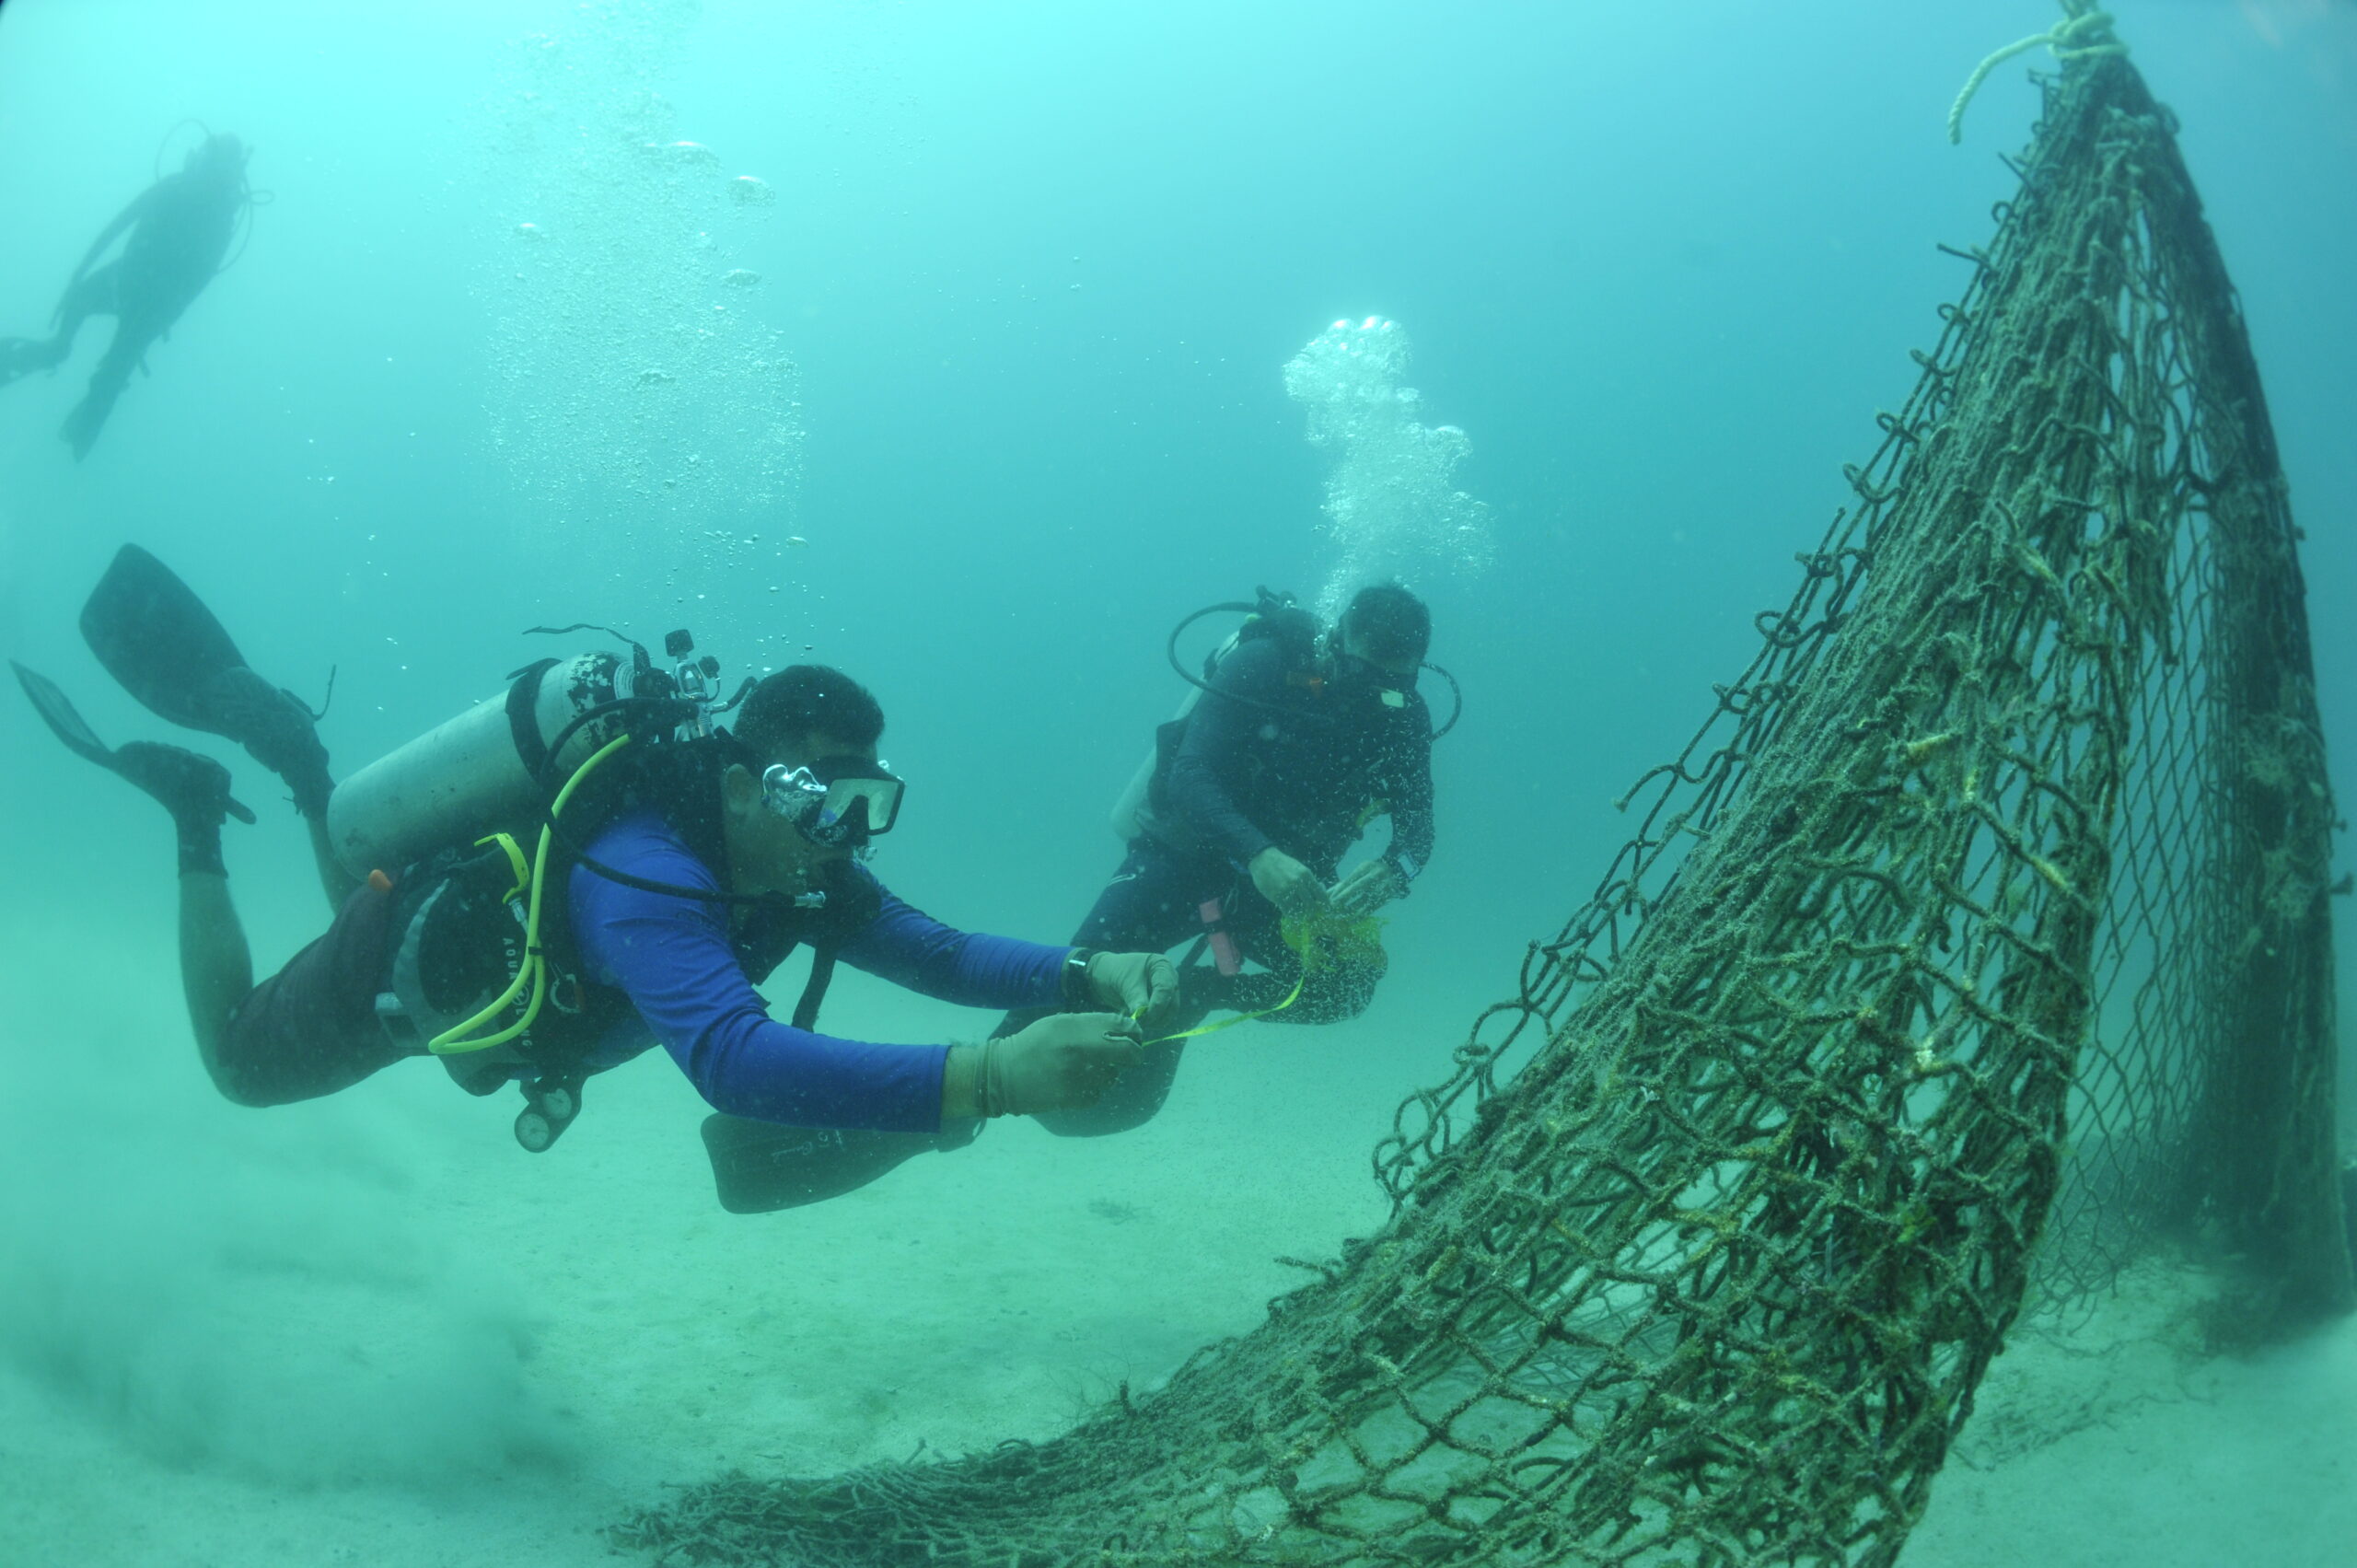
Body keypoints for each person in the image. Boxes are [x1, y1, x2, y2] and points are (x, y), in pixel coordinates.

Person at [14, 545, 1176, 1212]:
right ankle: (195, 818)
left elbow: (944, 952)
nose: (846, 833)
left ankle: (296, 755)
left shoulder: (796, 867)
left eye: (868, 803)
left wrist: (1089, 966)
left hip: (492, 953)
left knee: (360, 869)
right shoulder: (645, 875)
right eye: (826, 798)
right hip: (418, 968)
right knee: (238, 1066)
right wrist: (994, 1077)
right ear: (741, 779)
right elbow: (736, 1059)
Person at [997, 581, 1439, 1137]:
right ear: (1338, 643)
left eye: (1399, 682)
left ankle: (1201, 992)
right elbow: (1190, 773)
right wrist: (1258, 852)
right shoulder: (1265, 664)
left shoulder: (1405, 717)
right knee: (1066, 984)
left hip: (1282, 891)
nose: (1380, 695)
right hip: (1179, 862)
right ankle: (969, 1084)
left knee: (1347, 986)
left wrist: (1397, 870)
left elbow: (1419, 833)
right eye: (1368, 676)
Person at [0, 132, 256, 459]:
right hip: (136, 288)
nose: (202, 170)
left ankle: (77, 441)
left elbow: (196, 280)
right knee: (100, 360)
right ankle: (56, 358)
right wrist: (74, 286)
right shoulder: (174, 190)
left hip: (147, 300)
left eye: (210, 165)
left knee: (109, 377)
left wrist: (156, 321)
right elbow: (114, 232)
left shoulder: (216, 214)